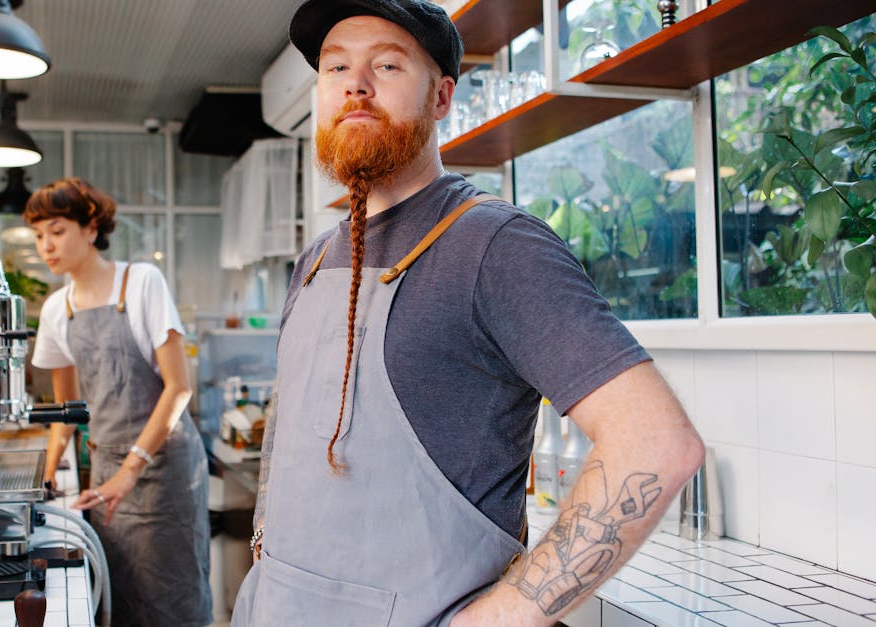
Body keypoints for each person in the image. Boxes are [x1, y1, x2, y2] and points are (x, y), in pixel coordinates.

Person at [231, 1, 705, 626]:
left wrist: (502, 618)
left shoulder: (495, 246)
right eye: (335, 67)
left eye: (389, 65)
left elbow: (655, 444)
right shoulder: (316, 260)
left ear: (441, 97)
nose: (355, 85)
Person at [26, 177, 212, 627]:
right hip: (107, 473)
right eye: (38, 236)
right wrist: (45, 482)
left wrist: (132, 469)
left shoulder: (141, 282)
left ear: (90, 228)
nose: (45, 246)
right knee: (121, 594)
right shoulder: (57, 308)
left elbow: (178, 387)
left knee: (171, 597)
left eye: (56, 230)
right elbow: (66, 413)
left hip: (162, 468)